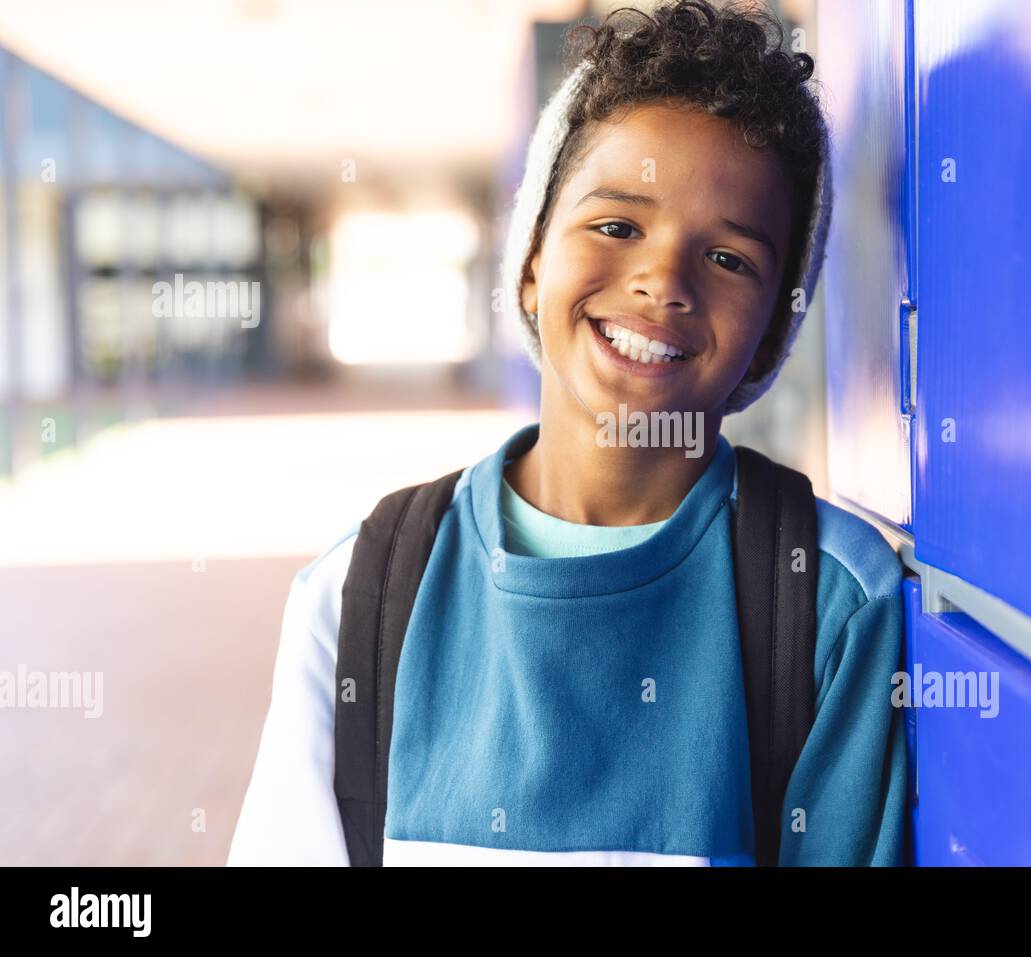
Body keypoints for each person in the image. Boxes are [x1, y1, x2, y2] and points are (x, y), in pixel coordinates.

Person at [227, 0, 906, 867]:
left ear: (775, 329)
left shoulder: (828, 603)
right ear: (533, 257)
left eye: (730, 259)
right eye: (617, 225)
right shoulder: (360, 593)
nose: (663, 280)